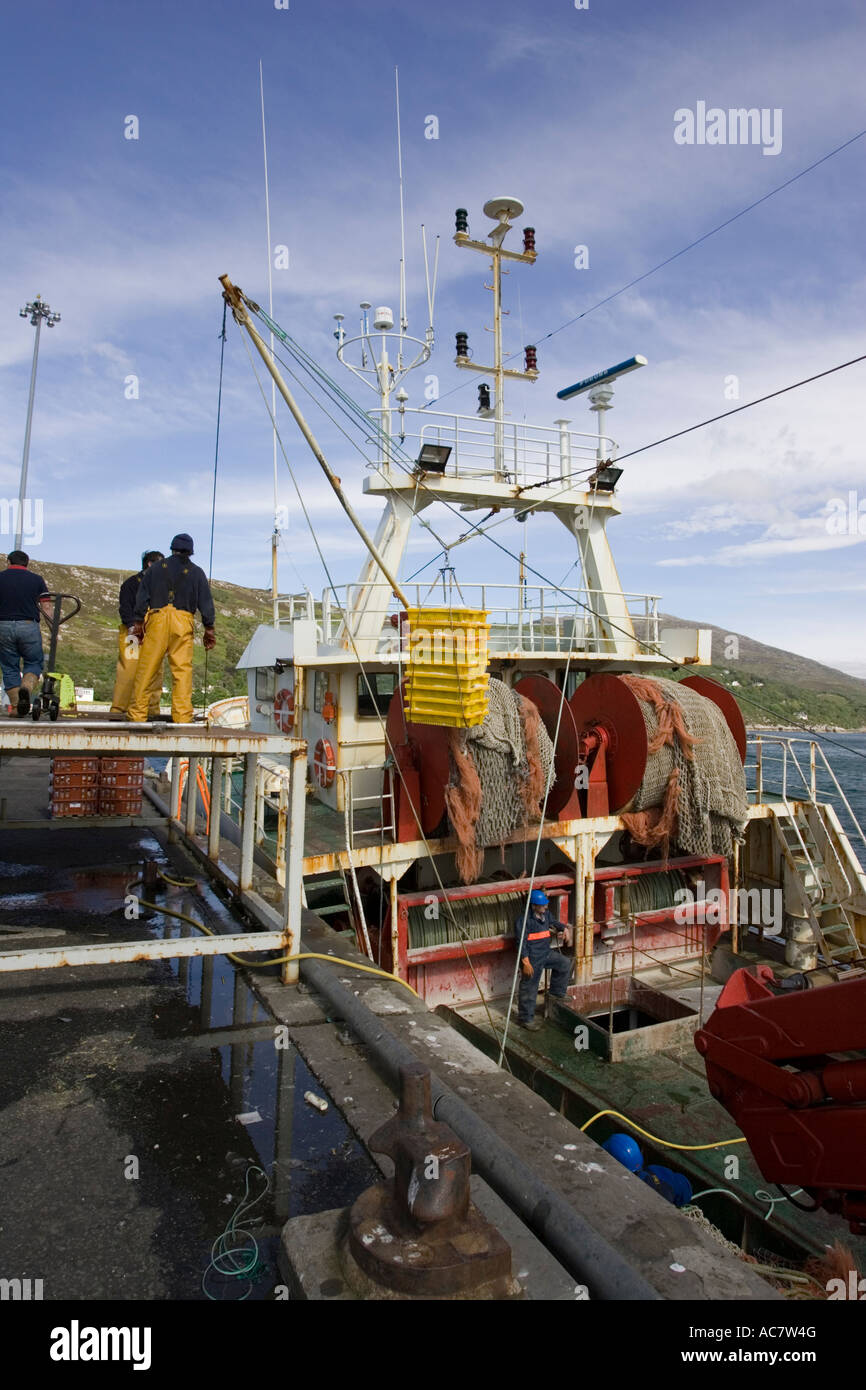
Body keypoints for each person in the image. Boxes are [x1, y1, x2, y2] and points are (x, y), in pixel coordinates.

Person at [127, 534, 216, 724]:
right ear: (191, 551)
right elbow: (206, 602)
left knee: (147, 668)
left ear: (171, 549)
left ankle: (137, 715)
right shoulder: (196, 572)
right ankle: (182, 716)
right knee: (182, 671)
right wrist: (209, 628)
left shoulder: (156, 569)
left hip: (157, 618)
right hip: (183, 620)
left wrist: (138, 623)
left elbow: (142, 597)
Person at [108, 550, 164, 720]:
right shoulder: (131, 584)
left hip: (154, 633)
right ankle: (120, 709)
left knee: (156, 671)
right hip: (133, 632)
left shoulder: (161, 587)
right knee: (129, 671)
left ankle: (151, 710)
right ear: (150, 564)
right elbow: (125, 608)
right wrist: (133, 626)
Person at [0, 550, 51, 717]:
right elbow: (46, 607)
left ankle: (16, 707)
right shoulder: (36, 580)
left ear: (8, 562)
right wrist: (53, 626)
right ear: (27, 564)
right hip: (28, 625)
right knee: (34, 661)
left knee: (9, 666)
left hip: (3, 626)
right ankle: (26, 688)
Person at [514, 888, 572, 1031]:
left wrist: (564, 929)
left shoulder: (545, 915)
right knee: (529, 988)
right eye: (543, 905)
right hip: (532, 959)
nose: (546, 906)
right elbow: (521, 943)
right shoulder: (524, 921)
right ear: (533, 905)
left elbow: (554, 922)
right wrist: (525, 962)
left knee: (564, 963)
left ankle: (556, 993)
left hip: (545, 953)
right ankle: (526, 1019)